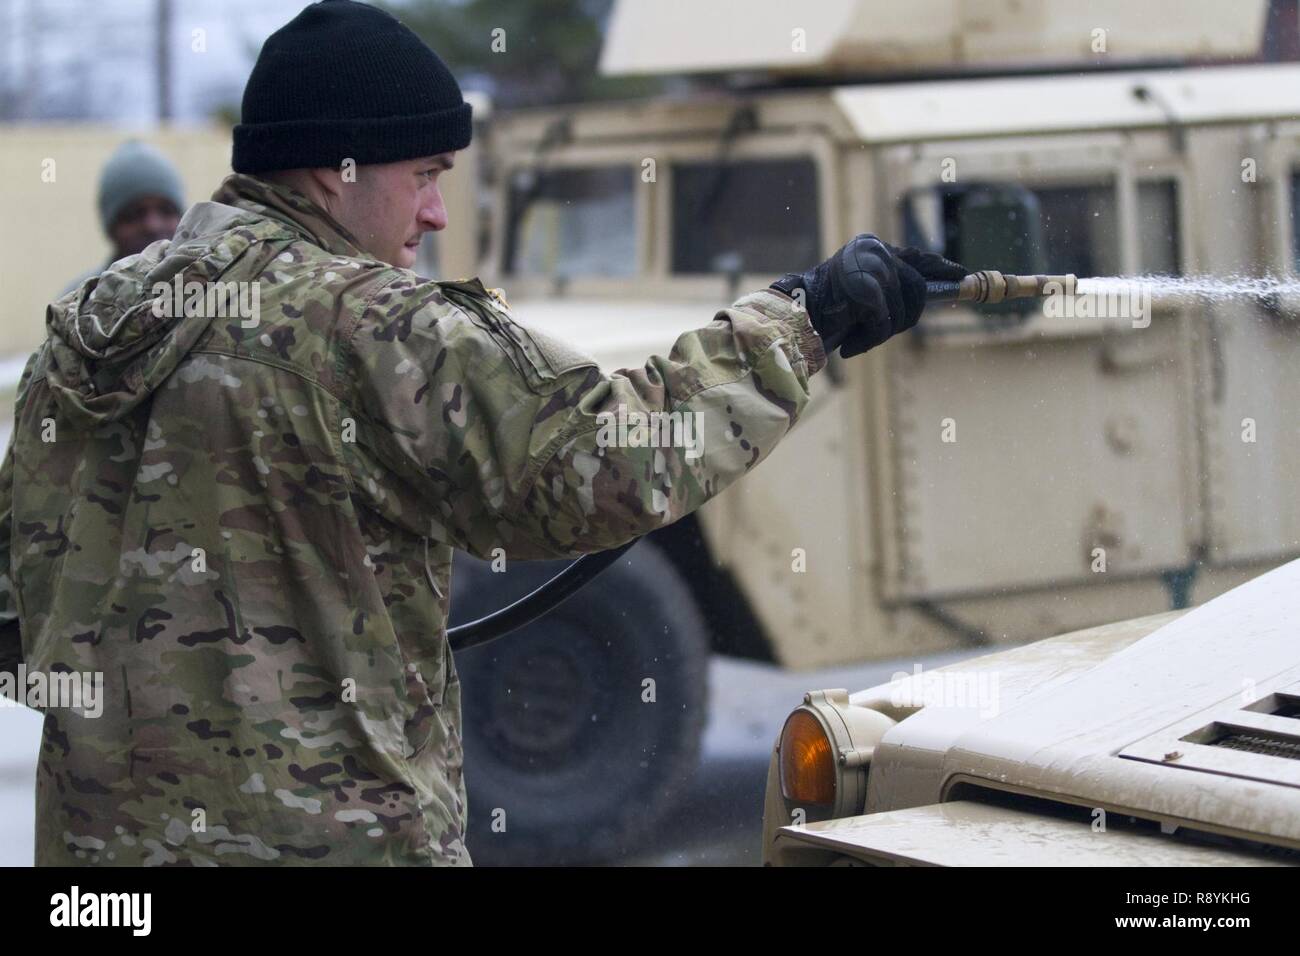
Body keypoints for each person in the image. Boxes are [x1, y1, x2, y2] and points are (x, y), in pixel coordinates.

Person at [0, 0, 965, 866]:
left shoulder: (87, 328)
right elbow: (610, 466)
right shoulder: (364, 326)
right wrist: (803, 317)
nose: (435, 210)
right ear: (330, 173)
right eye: (422, 174)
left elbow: (17, 620)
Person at [61, 140, 185, 296]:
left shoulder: (206, 295)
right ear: (111, 227)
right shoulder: (81, 302)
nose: (152, 226)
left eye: (166, 210)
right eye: (134, 214)